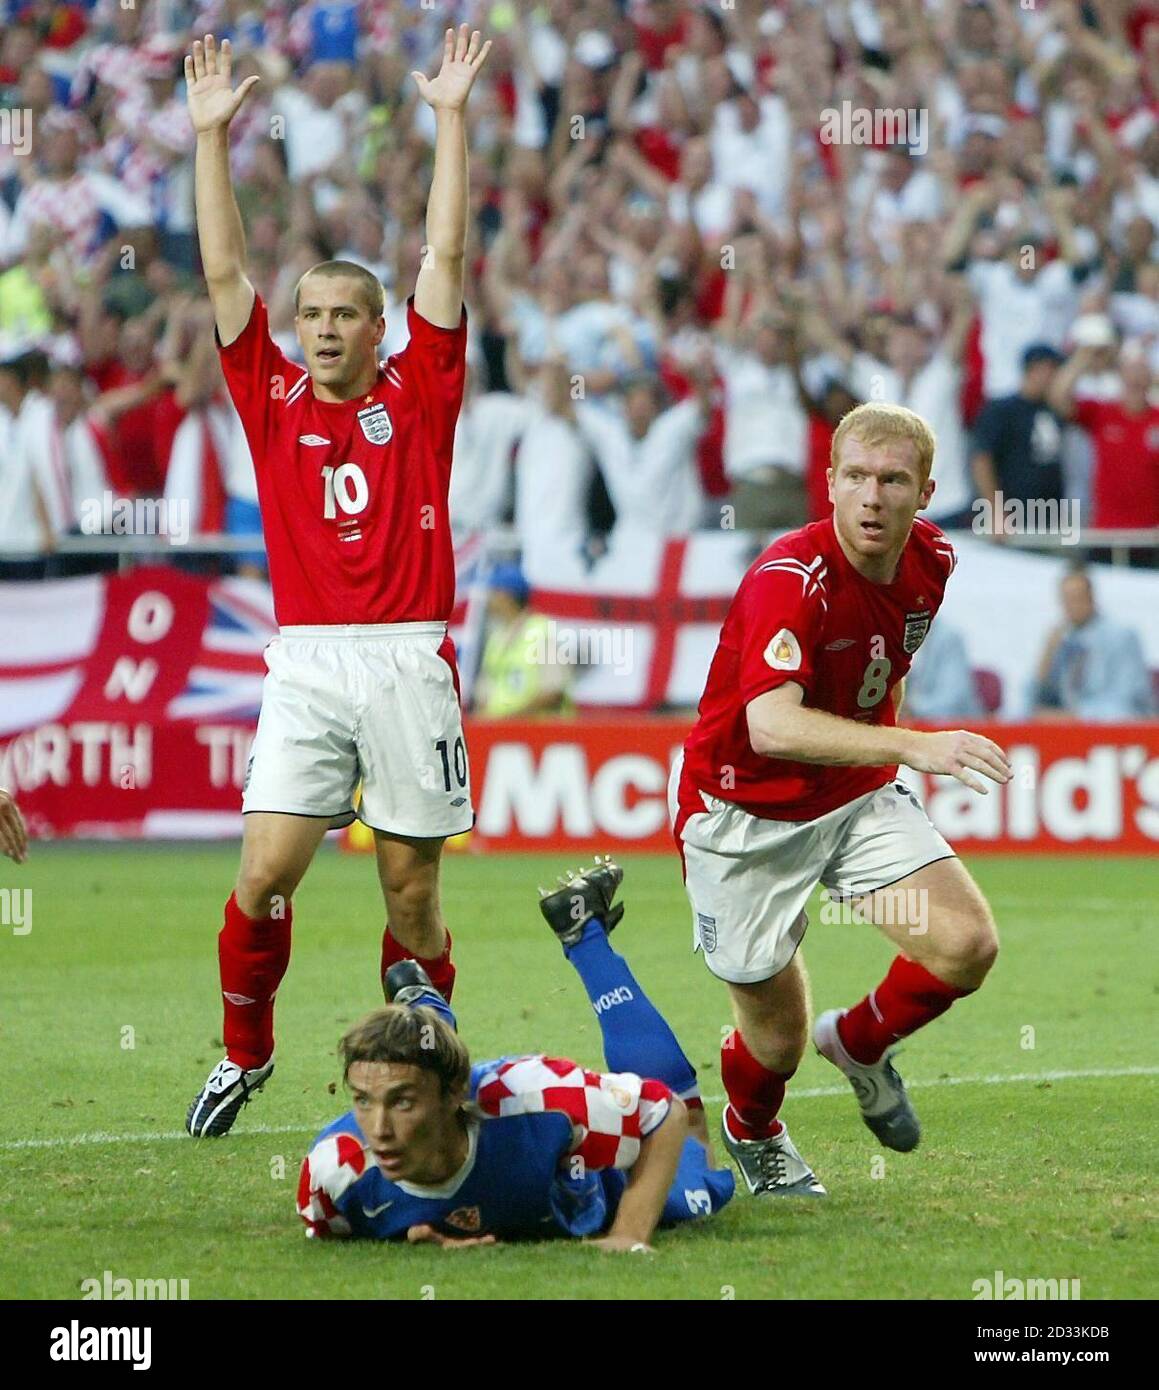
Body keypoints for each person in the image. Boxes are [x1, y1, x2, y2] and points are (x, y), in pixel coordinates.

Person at [184, 28, 493, 1138]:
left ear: (378, 329)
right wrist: (210, 138)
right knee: (264, 873)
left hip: (408, 654)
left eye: (341, 315)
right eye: (308, 313)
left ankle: (426, 1072)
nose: (319, 328)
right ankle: (244, 1052)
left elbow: (445, 260)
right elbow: (224, 271)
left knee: (410, 892)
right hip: (308, 661)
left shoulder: (419, 394)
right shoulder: (268, 398)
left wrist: (450, 118)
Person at [669, 402, 1011, 1197]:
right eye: (854, 476)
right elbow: (770, 725)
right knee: (776, 1043)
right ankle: (753, 1127)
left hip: (855, 800)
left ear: (924, 493)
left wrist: (886, 747)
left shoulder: (932, 561)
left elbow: (884, 658)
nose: (871, 497)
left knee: (964, 946)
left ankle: (858, 1043)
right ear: (826, 483)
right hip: (742, 815)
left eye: (893, 480)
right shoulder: (788, 579)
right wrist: (912, 745)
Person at [297, 861, 734, 1248]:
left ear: (455, 1095)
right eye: (362, 1101)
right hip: (455, 1092)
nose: (378, 1129)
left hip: (599, 1177)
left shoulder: (540, 1099)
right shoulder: (333, 1175)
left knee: (694, 1135)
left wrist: (627, 1236)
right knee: (420, 1062)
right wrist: (416, 1230)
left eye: (402, 1103)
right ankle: (425, 1011)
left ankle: (585, 938)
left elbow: (665, 1112)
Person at [1032, 565, 1154, 720]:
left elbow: (1128, 703)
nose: (1071, 606)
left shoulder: (1122, 636)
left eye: (1077, 598)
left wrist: (1074, 716)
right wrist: (1045, 660)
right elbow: (1030, 705)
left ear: (1091, 597)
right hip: (1061, 730)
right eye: (1066, 599)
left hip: (1111, 734)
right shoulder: (1060, 640)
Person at [970, 344, 1066, 533]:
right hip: (1013, 511)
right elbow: (982, 460)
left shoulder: (1055, 409)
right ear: (1033, 370)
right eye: (1050, 370)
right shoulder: (1002, 410)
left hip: (1049, 514)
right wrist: (996, 510)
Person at [473, 564, 573, 718]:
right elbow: (484, 693)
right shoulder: (496, 637)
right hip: (499, 735)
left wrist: (512, 720)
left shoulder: (541, 632)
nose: (488, 599)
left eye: (493, 592)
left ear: (506, 596)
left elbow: (552, 691)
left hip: (537, 734)